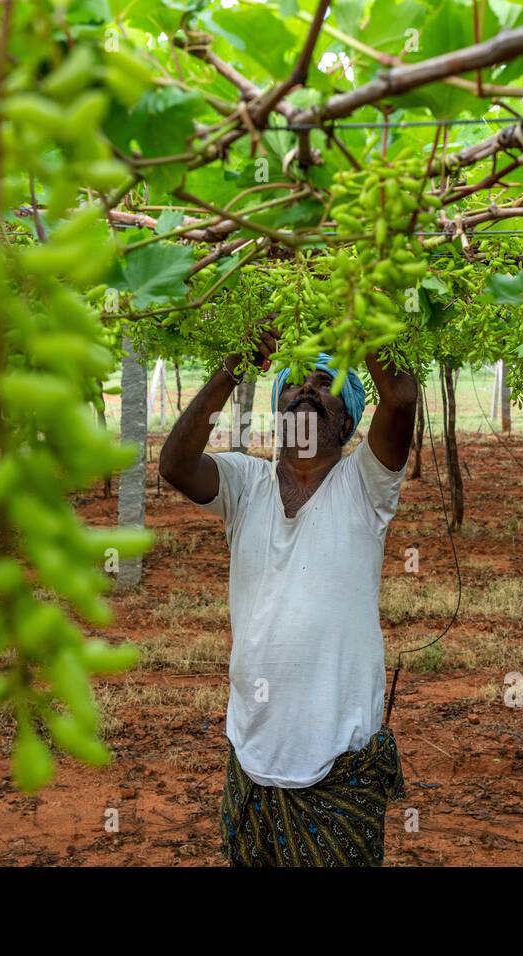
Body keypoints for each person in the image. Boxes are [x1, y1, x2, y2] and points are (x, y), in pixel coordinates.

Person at [158, 320, 418, 867]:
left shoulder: (365, 487)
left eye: (324, 383)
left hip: (337, 766)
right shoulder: (244, 485)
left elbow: (399, 399)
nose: (306, 389)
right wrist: (235, 364)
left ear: (346, 419)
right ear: (278, 413)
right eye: (295, 382)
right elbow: (176, 465)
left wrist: (358, 306)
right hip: (252, 754)